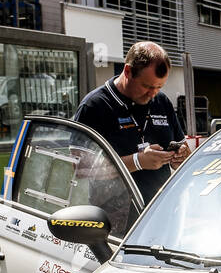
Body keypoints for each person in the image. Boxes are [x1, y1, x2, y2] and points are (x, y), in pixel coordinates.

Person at [73, 41, 189, 201]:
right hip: (115, 216)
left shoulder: (162, 101)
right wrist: (138, 161)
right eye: (147, 86)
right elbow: (81, 167)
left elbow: (184, 149)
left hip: (159, 209)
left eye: (159, 87)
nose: (153, 94)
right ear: (128, 71)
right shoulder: (94, 105)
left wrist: (180, 157)